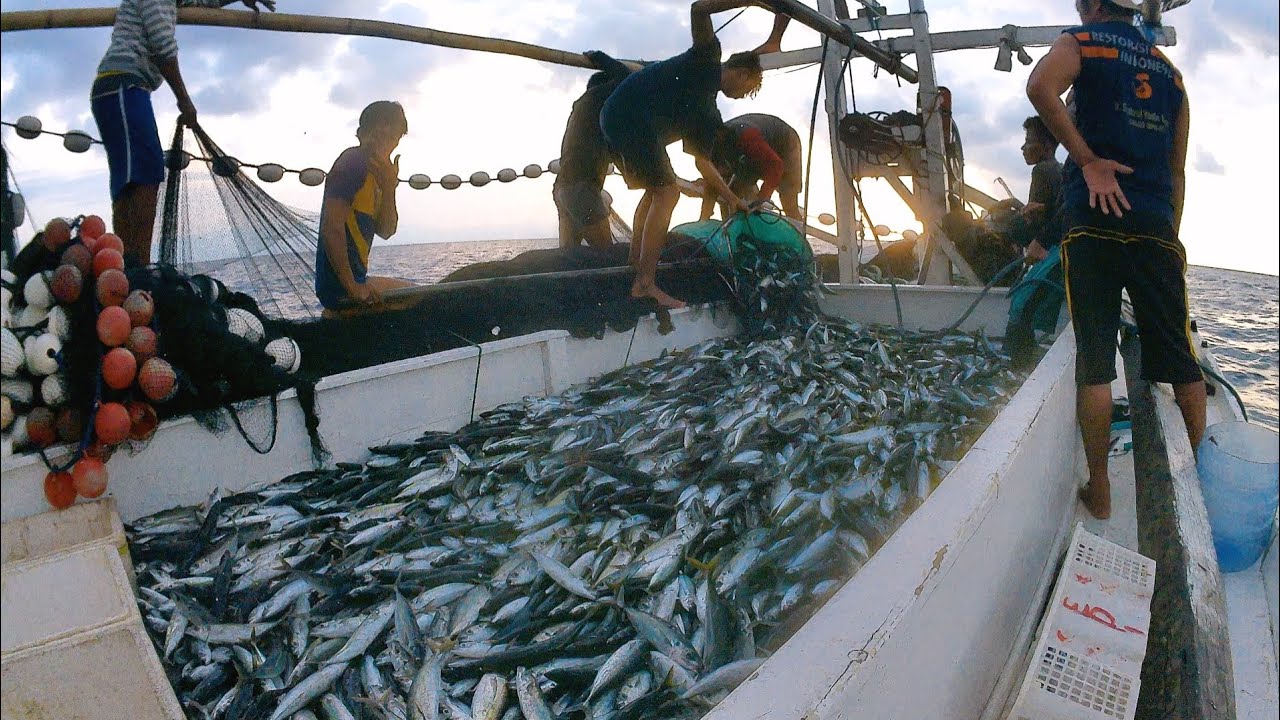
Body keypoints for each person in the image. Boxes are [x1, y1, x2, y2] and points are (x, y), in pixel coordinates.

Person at [1028, 0, 1202, 520]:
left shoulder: (1081, 43)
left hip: (1093, 224)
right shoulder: (1171, 75)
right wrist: (1169, 233)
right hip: (1154, 224)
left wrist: (1087, 160)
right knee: (1182, 361)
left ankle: (1100, 490)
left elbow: (1040, 88)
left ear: (1090, 5)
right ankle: (1195, 483)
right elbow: (1178, 168)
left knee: (1097, 362)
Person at [599, 0, 789, 309]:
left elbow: (704, 163)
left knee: (656, 190)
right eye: (747, 89)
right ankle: (645, 283)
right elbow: (699, 8)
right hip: (629, 115)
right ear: (740, 73)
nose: (742, 97)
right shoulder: (707, 59)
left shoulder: (706, 113)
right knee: (667, 193)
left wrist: (732, 199)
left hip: (619, 120)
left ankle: (636, 261)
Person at [90, 0, 275, 268]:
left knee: (136, 177)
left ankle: (126, 263)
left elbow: (202, 0)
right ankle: (135, 265)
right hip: (122, 85)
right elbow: (162, 46)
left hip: (122, 88)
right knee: (142, 178)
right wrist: (184, 101)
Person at [315, 101, 416, 316]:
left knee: (416, 296)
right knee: (419, 297)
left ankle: (335, 316)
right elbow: (331, 228)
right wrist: (353, 288)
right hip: (341, 289)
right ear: (360, 134)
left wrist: (389, 187)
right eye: (377, 135)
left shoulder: (377, 177)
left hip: (354, 283)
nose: (382, 144)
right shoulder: (353, 161)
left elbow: (387, 231)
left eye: (391, 138)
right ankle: (337, 312)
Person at [554, 51, 635, 251]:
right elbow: (627, 78)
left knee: (569, 258)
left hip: (564, 189)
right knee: (606, 255)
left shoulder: (588, 116)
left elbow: (615, 152)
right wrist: (600, 58)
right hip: (581, 190)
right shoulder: (596, 98)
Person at [700, 113, 805, 222]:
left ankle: (798, 231)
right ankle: (732, 232)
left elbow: (776, 166)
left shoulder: (747, 137)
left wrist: (760, 201)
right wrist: (703, 218)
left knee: (788, 199)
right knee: (731, 193)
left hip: (784, 143)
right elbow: (713, 184)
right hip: (749, 153)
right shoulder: (707, 150)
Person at [1019, 115, 1064, 263]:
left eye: (1028, 142)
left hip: (1044, 251)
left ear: (1047, 146)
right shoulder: (1059, 168)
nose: (1023, 148)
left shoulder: (1041, 170)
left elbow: (1033, 218)